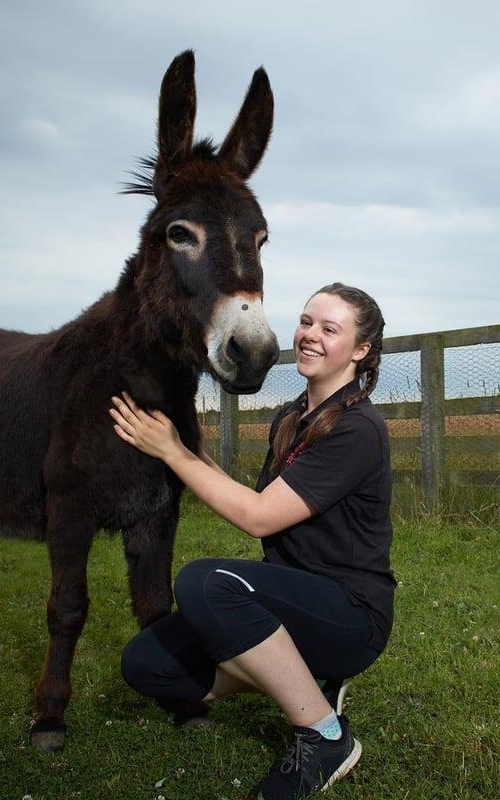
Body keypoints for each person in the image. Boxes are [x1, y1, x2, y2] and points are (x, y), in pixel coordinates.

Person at [110, 282, 394, 800]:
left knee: (205, 583)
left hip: (350, 615)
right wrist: (179, 445)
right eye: (307, 321)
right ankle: (312, 684)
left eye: (330, 329)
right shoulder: (293, 418)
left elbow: (260, 518)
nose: (310, 336)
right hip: (294, 601)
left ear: (360, 350)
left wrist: (174, 454)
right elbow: (252, 497)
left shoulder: (358, 429)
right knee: (146, 663)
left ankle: (325, 737)